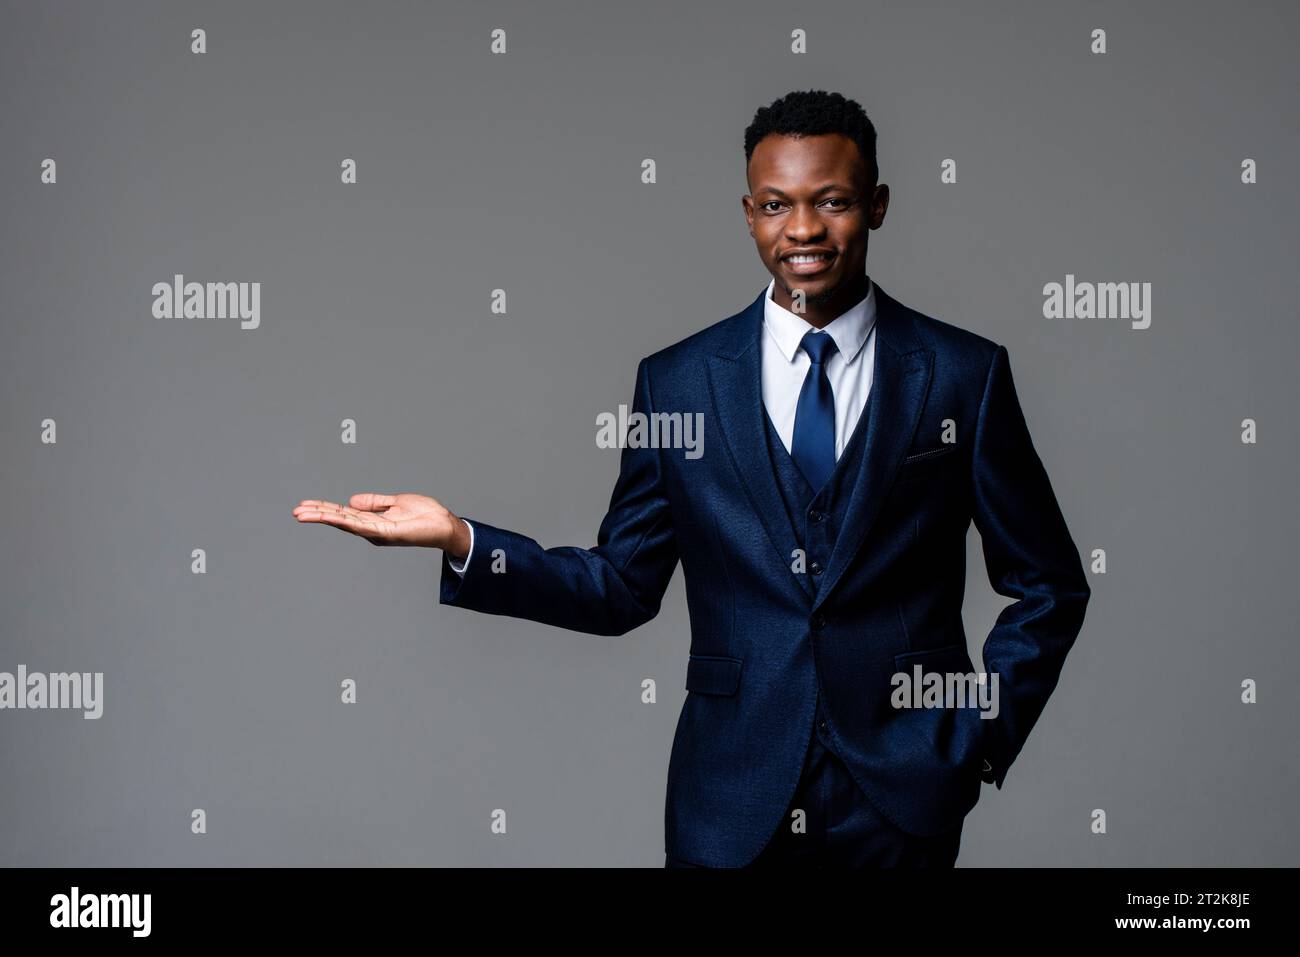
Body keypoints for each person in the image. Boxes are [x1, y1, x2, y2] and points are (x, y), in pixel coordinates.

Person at [293, 89, 1092, 868]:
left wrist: (977, 735)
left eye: (833, 201)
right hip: (730, 800)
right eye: (776, 205)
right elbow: (620, 584)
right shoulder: (675, 384)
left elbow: (1051, 583)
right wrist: (465, 540)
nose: (804, 229)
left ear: (877, 205)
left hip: (904, 795)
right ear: (749, 215)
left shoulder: (961, 373)